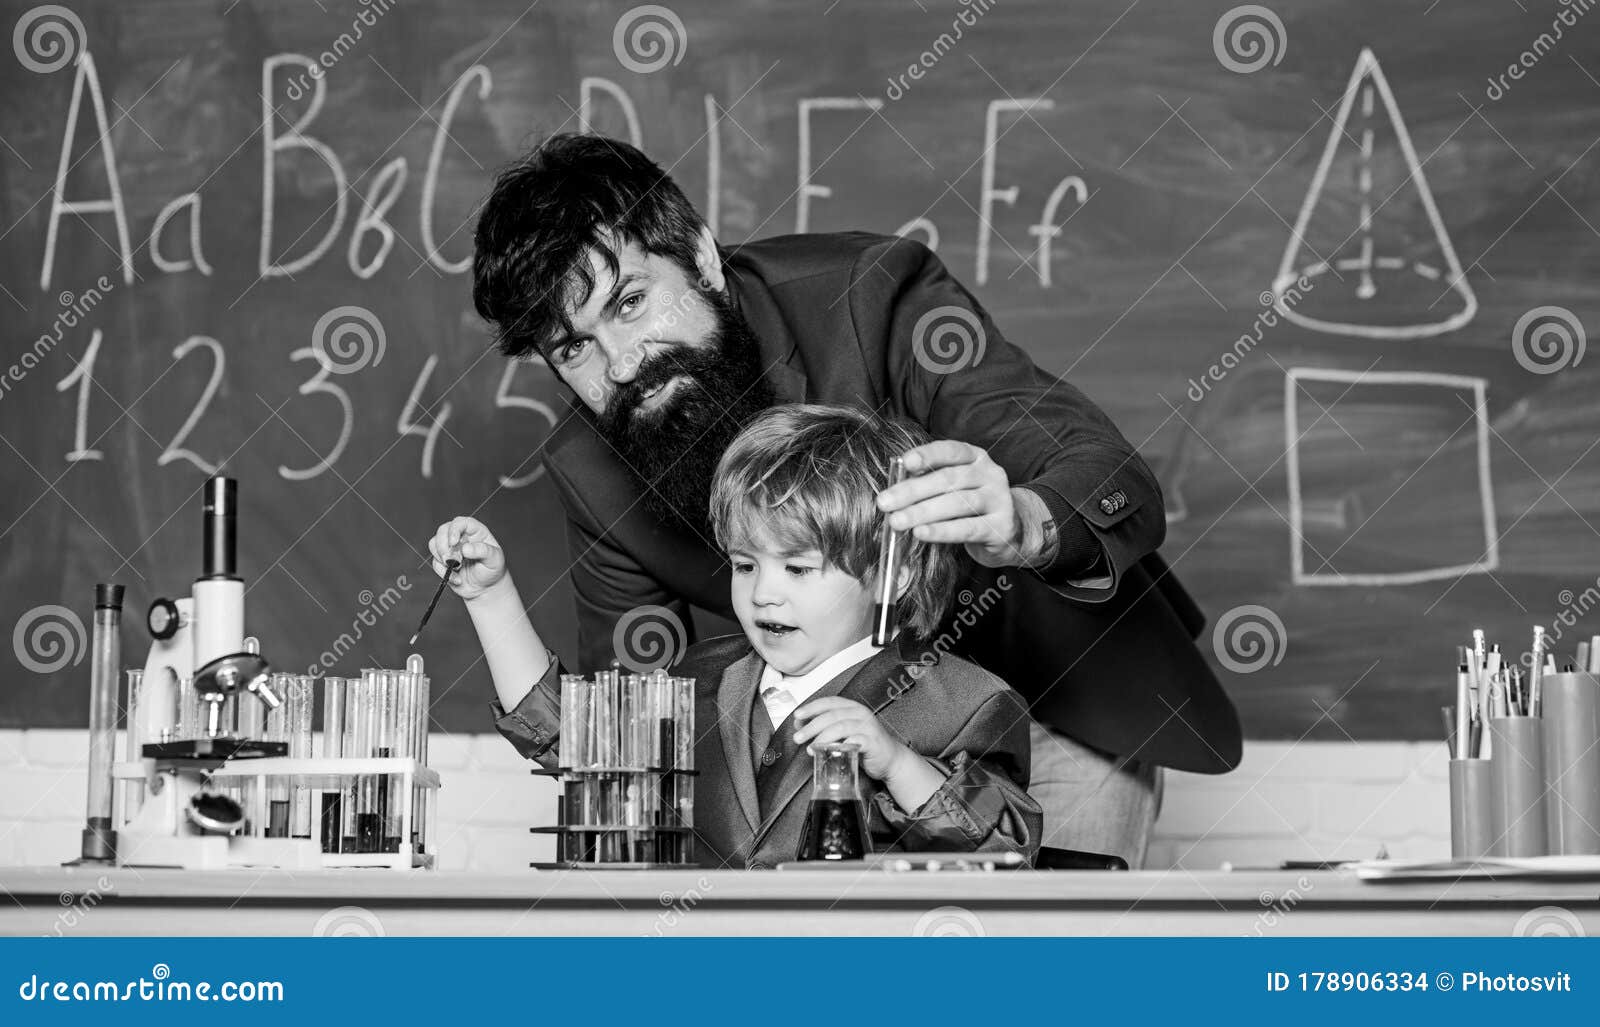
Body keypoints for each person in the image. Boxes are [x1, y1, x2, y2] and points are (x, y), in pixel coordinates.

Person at [469, 132, 1241, 869]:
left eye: (631, 302)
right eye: (574, 348)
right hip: (838, 751)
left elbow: (1105, 471)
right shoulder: (590, 468)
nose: (623, 360)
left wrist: (1025, 523)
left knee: (1029, 962)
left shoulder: (873, 293)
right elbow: (634, 723)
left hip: (1054, 699)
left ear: (700, 256)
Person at [429, 404, 1041, 868]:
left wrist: (898, 763)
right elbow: (569, 737)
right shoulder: (700, 677)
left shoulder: (967, 702)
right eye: (745, 564)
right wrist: (490, 597)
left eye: (798, 568)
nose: (763, 593)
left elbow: (1006, 851)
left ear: (892, 573)